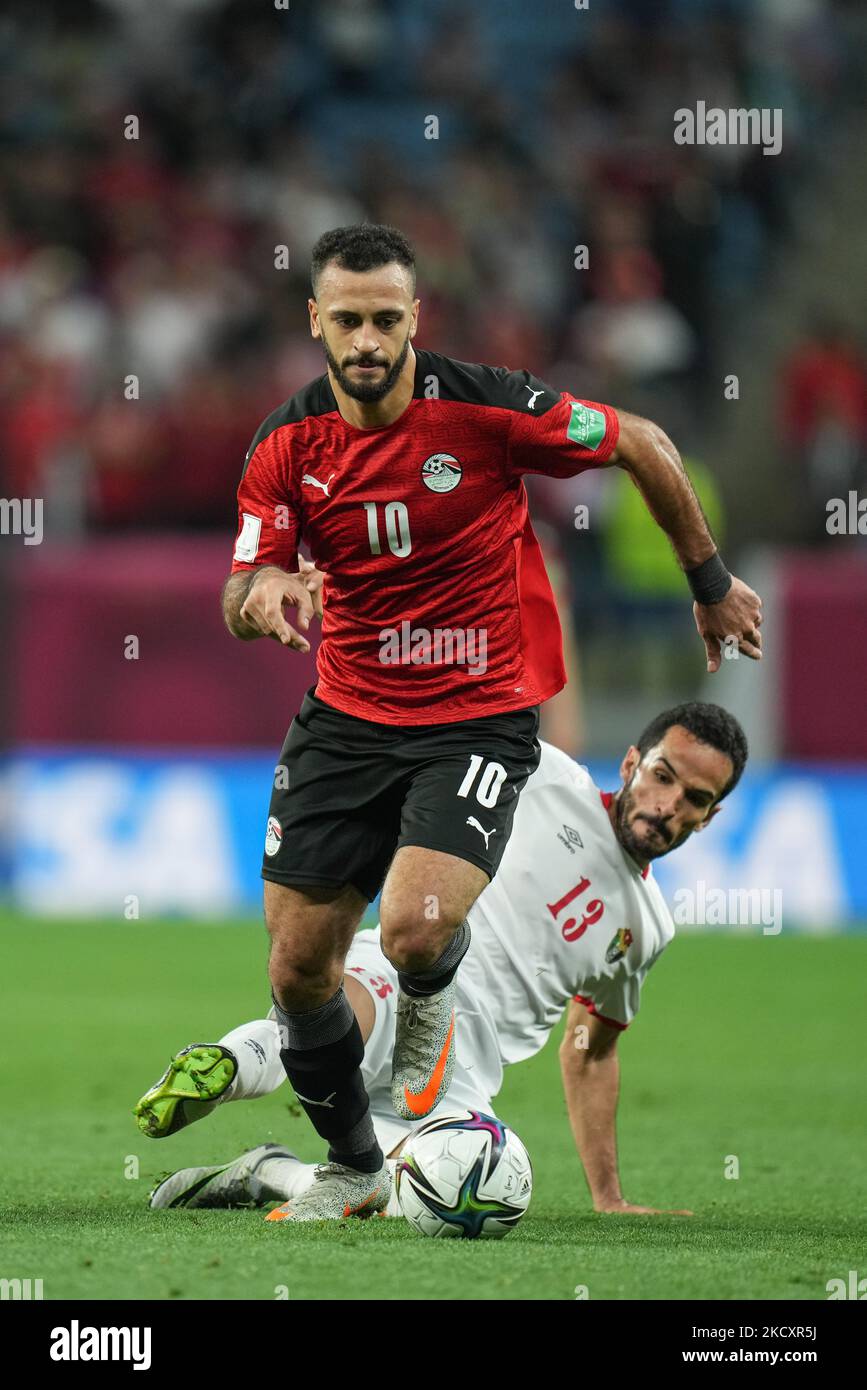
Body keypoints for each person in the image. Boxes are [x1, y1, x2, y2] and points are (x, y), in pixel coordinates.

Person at [219, 221, 762, 1219]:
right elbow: (246, 578)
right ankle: (350, 1161)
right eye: (349, 320)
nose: (369, 338)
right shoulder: (286, 444)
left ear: (415, 317)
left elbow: (639, 440)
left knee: (419, 931)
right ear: (316, 322)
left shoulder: (485, 409)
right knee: (299, 970)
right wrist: (258, 598)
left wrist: (709, 578)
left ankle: (420, 1009)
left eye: (388, 317)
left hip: (478, 714)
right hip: (345, 717)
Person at [136, 702, 747, 1223]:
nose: (670, 805)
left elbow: (592, 1052)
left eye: (695, 798)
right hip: (408, 976)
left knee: (457, 1200)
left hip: (466, 1075)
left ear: (710, 815)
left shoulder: (648, 927)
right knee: (344, 1006)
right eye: (663, 777)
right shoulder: (546, 775)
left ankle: (268, 1173)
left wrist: (609, 1198)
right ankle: (228, 1065)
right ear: (632, 763)